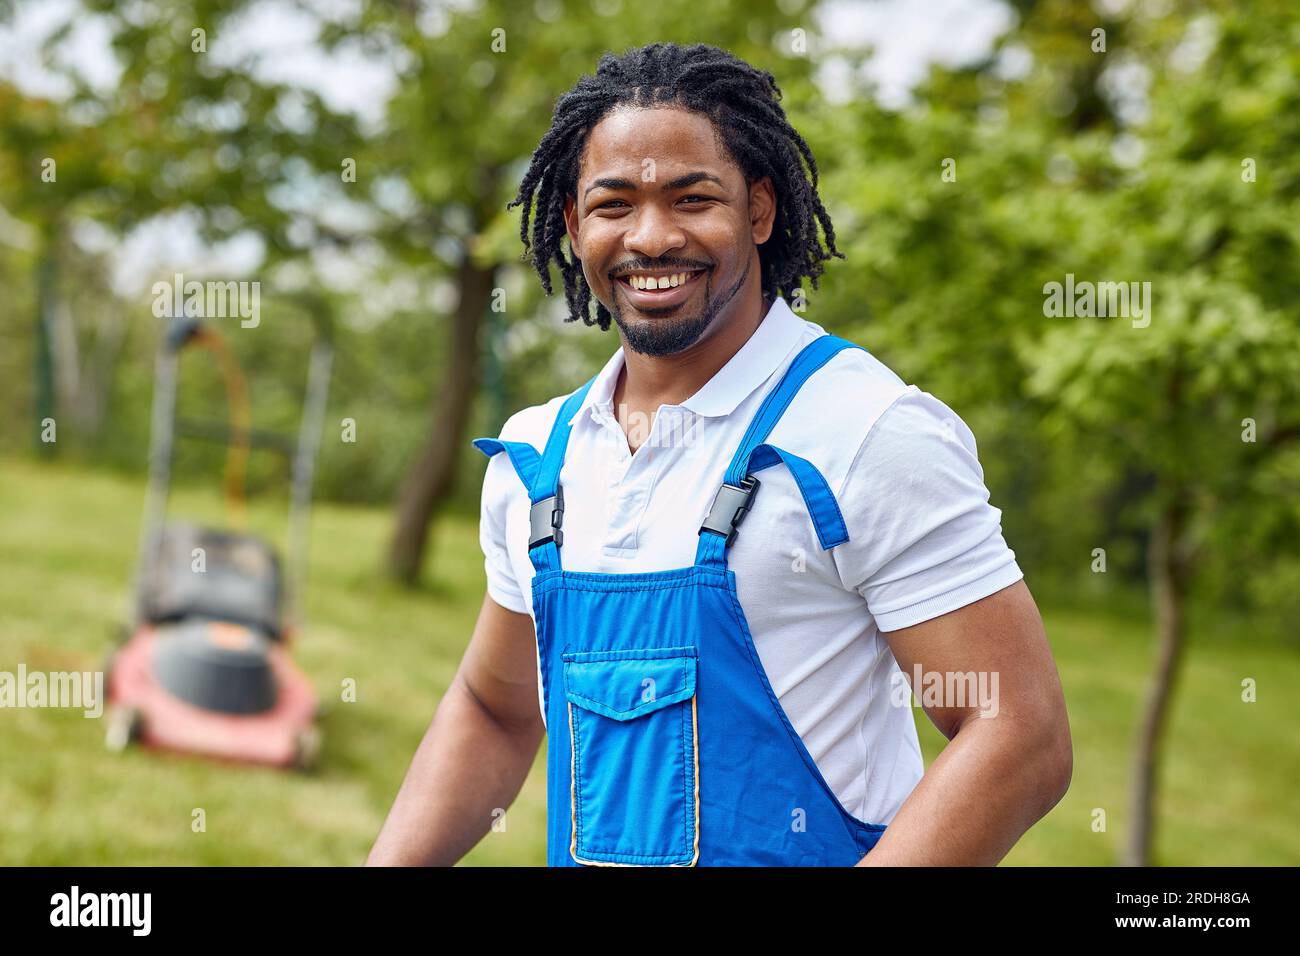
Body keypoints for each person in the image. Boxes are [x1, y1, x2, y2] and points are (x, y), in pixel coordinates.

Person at [368, 42, 1071, 867]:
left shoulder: (865, 431)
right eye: (614, 203)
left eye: (693, 198)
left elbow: (1017, 732)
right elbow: (495, 708)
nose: (652, 237)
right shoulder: (536, 461)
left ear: (760, 211)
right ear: (572, 223)